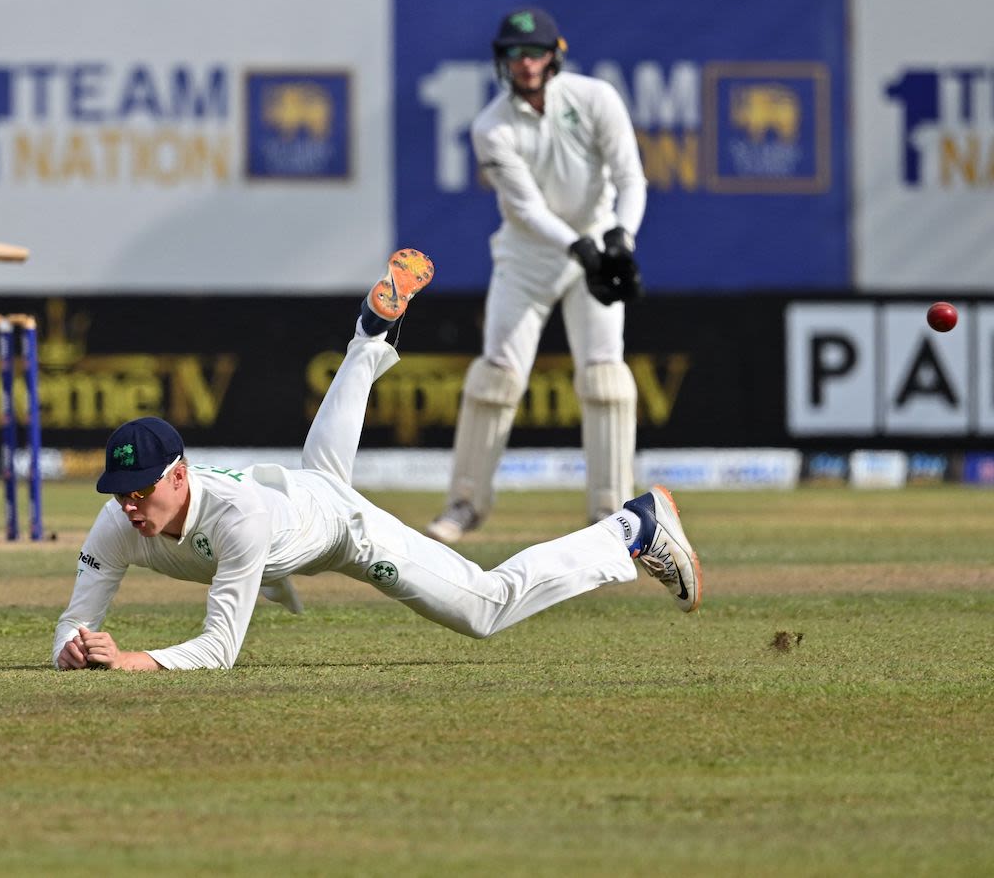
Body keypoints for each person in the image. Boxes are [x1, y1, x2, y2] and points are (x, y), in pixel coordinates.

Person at [51, 250, 699, 672]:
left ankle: (630, 528)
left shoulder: (233, 519)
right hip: (301, 494)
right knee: (324, 470)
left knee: (483, 606)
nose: (130, 505)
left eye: (142, 490)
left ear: (180, 474)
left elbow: (220, 651)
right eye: (121, 492)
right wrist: (74, 650)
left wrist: (127, 659)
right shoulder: (117, 524)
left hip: (339, 529)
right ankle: (370, 335)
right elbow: (71, 624)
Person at [425, 6, 648, 544]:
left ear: (555, 55)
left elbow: (630, 177)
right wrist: (580, 247)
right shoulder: (490, 127)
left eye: (534, 53)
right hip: (527, 259)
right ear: (501, 62)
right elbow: (525, 208)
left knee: (604, 376)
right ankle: (465, 504)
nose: (524, 64)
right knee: (497, 375)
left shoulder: (595, 98)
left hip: (594, 241)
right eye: (513, 55)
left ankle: (609, 514)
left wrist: (621, 237)